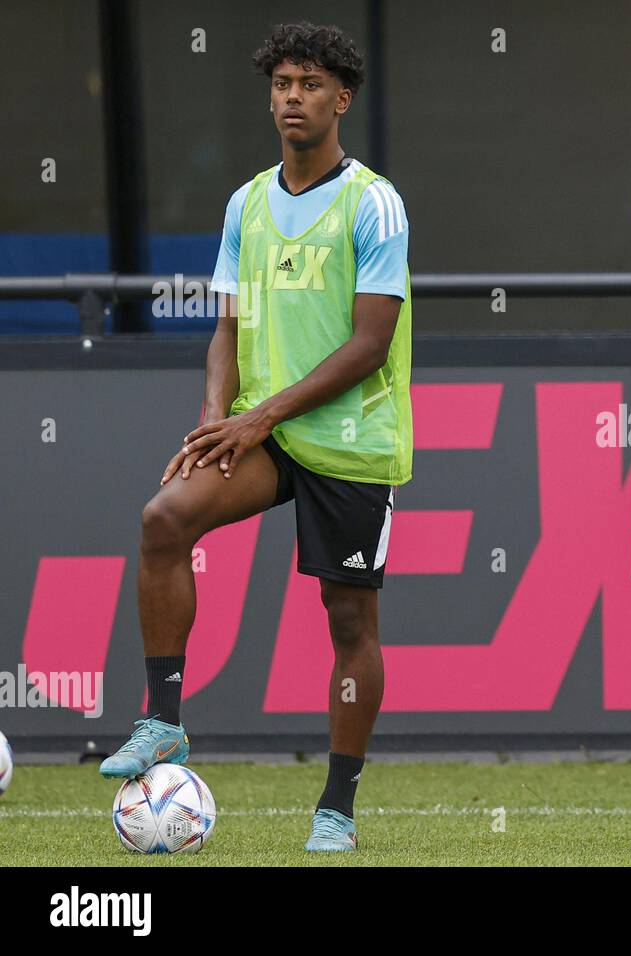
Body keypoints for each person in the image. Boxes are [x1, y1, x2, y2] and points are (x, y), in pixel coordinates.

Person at [98, 22, 413, 854]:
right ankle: (163, 721)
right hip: (265, 431)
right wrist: (216, 418)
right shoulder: (246, 202)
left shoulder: (372, 201)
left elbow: (368, 344)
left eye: (310, 84)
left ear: (341, 99)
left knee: (350, 625)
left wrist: (259, 416)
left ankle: (337, 807)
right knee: (164, 519)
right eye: (281, 85)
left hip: (350, 440)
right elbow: (226, 328)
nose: (292, 99)